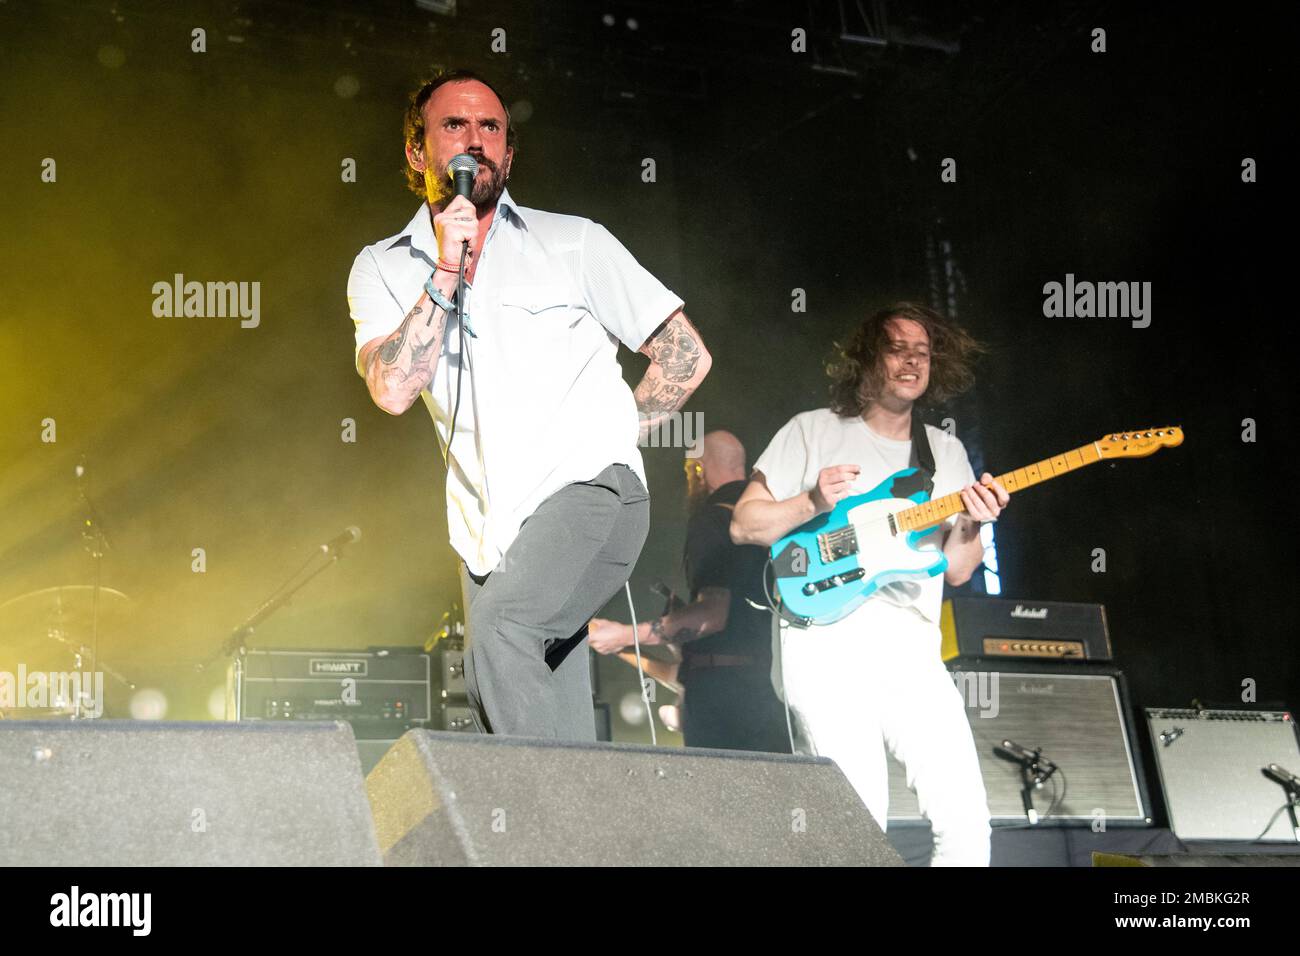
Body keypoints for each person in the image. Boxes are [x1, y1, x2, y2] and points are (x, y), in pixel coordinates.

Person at [347, 69, 711, 739]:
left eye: (492, 128)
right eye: (454, 125)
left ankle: (531, 832)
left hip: (589, 493)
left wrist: (615, 432)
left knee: (504, 628)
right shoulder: (382, 267)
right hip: (485, 533)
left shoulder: (573, 241)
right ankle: (572, 832)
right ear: (415, 151)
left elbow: (686, 354)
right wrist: (446, 274)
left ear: (508, 153)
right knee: (529, 690)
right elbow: (393, 390)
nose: (477, 140)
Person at [730, 302, 1005, 865]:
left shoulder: (943, 450)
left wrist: (974, 522)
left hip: (910, 641)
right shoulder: (812, 430)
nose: (912, 361)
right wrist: (810, 501)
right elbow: (743, 525)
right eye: (897, 348)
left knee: (967, 821)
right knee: (858, 823)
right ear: (866, 359)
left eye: (923, 352)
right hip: (824, 635)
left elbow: (956, 568)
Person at [589, 431, 791, 753]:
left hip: (720, 701)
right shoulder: (770, 521)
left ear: (698, 470)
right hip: (773, 689)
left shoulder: (711, 520)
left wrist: (625, 634)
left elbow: (712, 615)